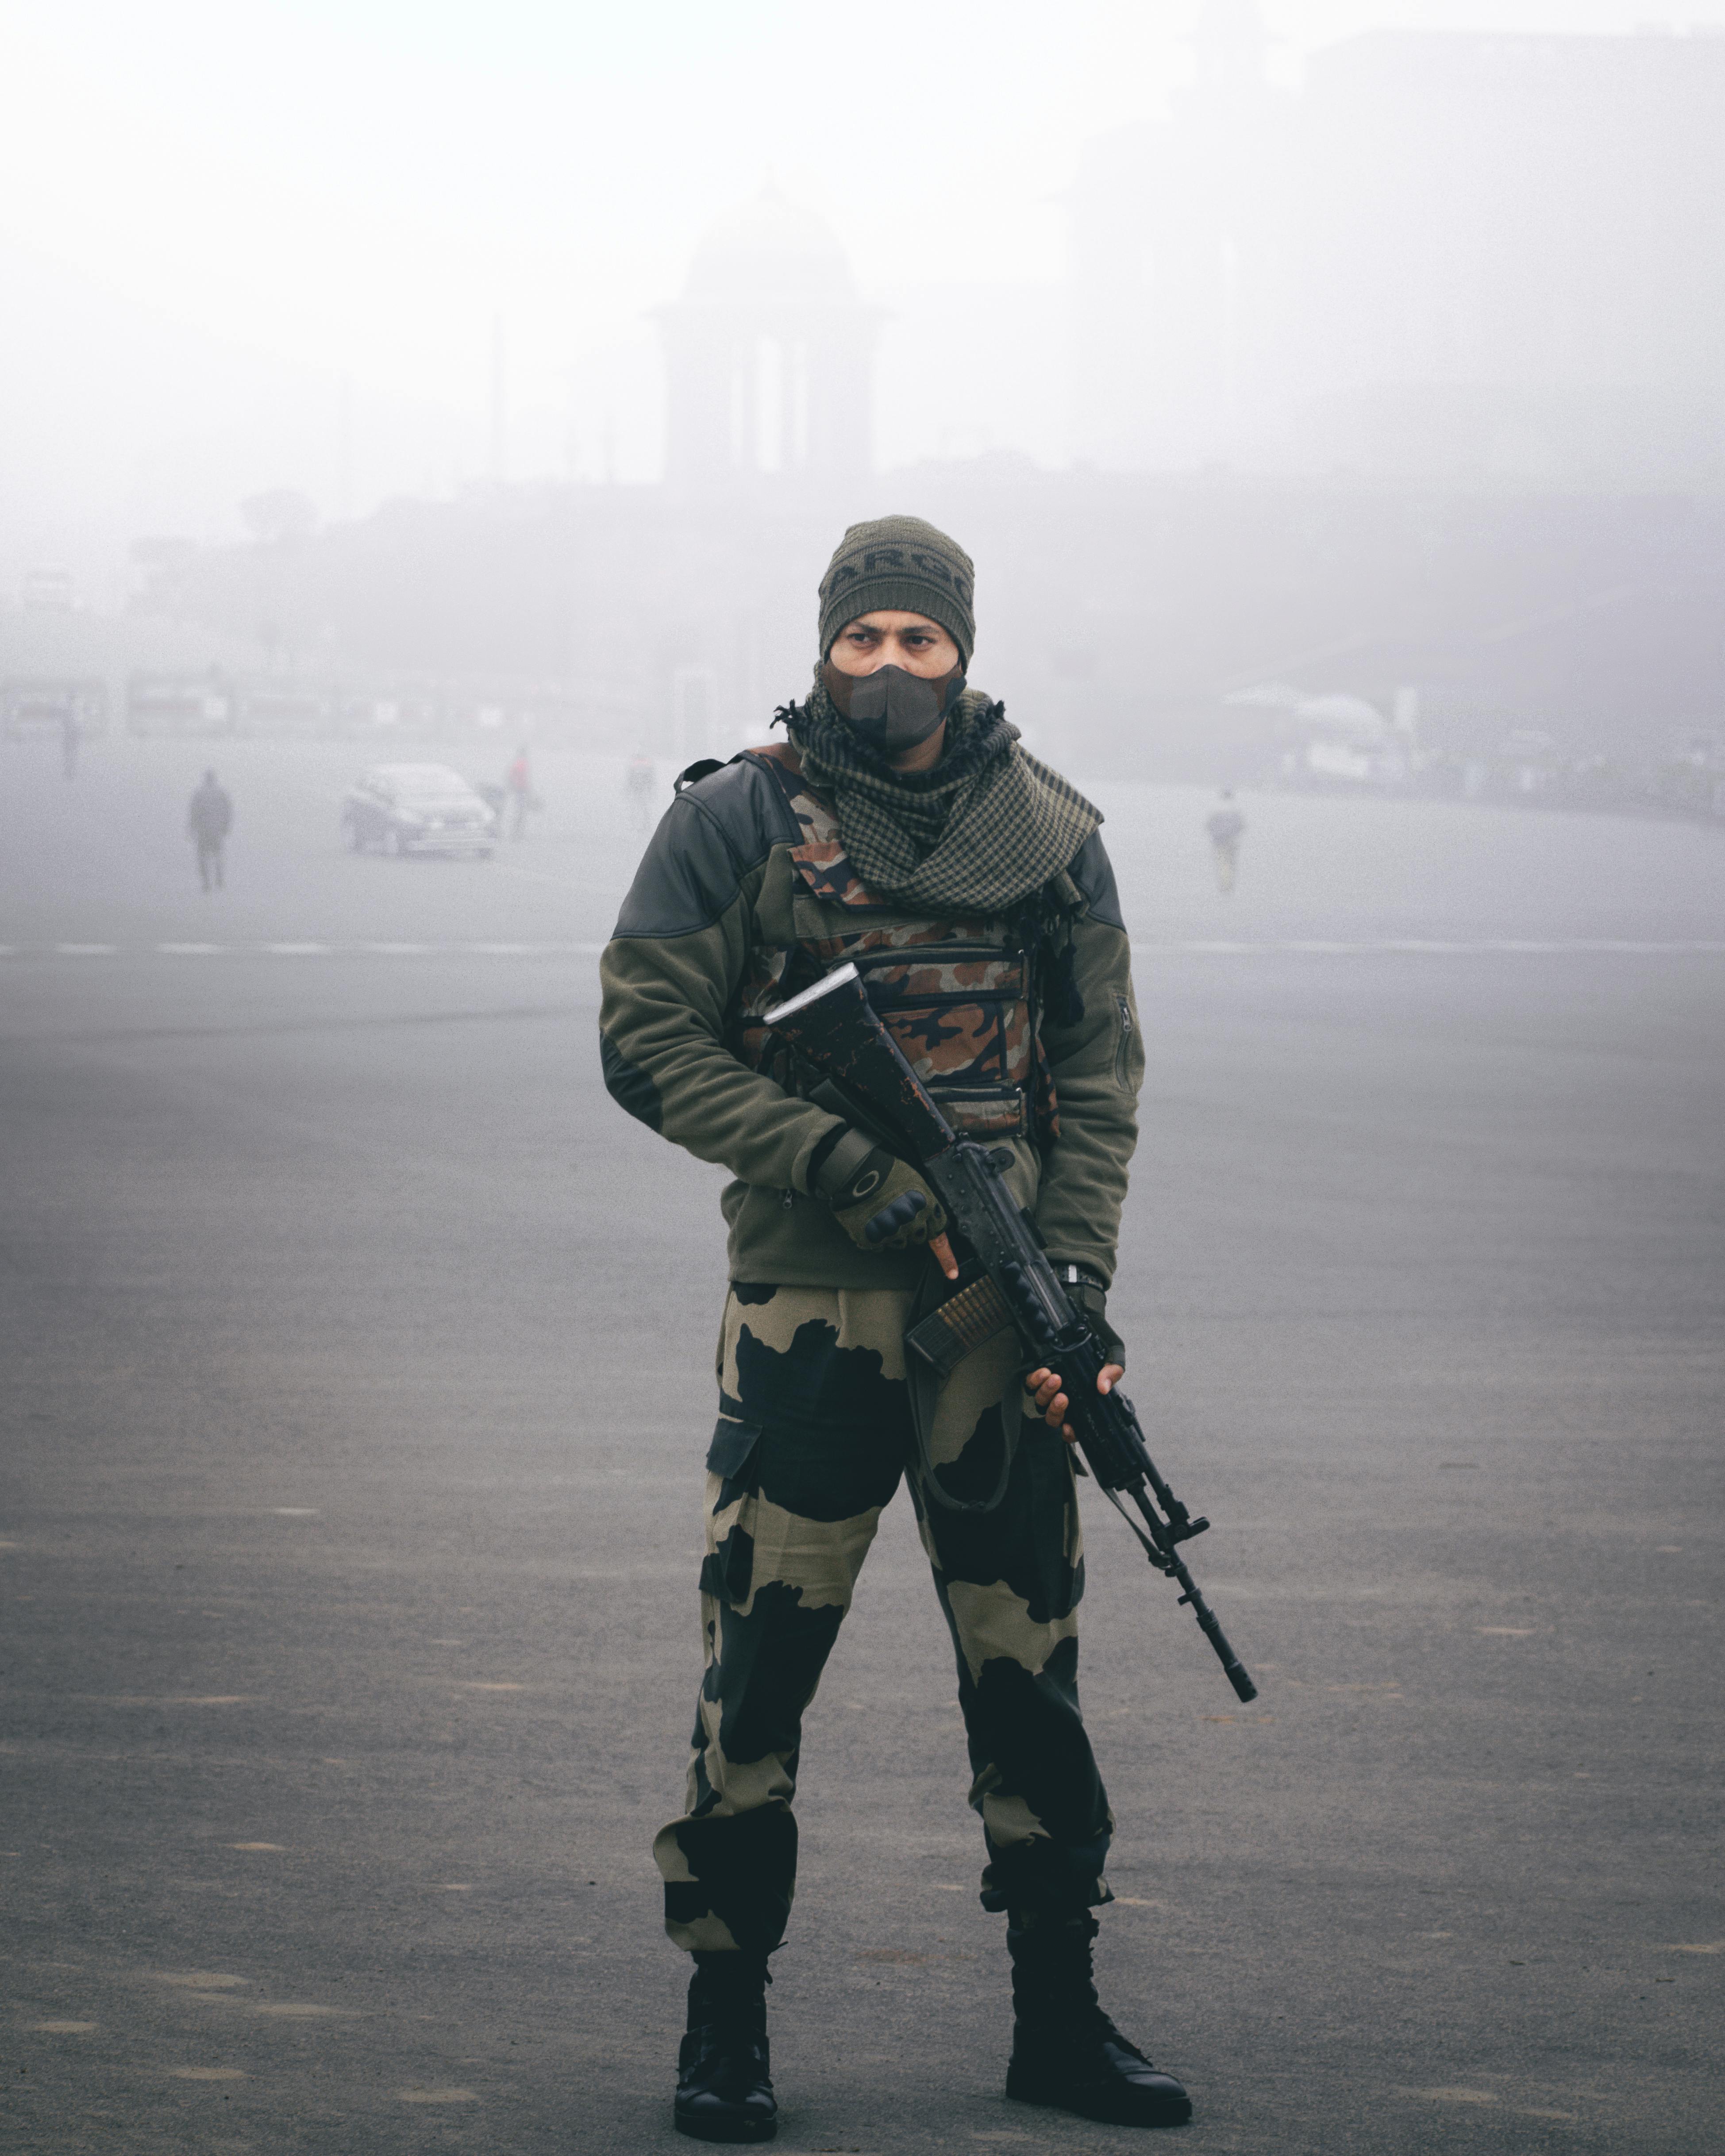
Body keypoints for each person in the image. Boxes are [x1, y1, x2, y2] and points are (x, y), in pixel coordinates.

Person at [599, 516, 1185, 2142]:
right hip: (811, 1305)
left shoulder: (1047, 832)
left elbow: (1097, 1076)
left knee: (1028, 1668)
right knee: (758, 1663)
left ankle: (1058, 2016)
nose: (890, 667)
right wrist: (836, 1159)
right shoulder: (736, 818)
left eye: (920, 639)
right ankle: (725, 2019)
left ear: (963, 650)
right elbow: (648, 1038)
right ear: (825, 645)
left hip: (999, 1320)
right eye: (863, 638)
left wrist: (1074, 1290)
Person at [187, 769, 233, 893]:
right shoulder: (221, 794)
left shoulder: (199, 794)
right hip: (217, 830)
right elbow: (228, 811)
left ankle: (206, 882)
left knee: (203, 856)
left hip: (203, 830)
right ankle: (219, 878)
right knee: (218, 854)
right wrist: (226, 826)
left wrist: (192, 827)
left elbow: (194, 812)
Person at [1205, 790, 1246, 894]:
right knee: (1231, 863)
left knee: (1222, 863)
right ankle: (1229, 884)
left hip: (1219, 841)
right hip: (1232, 841)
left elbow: (1209, 825)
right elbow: (1241, 826)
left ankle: (1224, 884)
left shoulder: (1216, 809)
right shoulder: (1235, 809)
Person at [505, 745, 533, 840]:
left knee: (519, 810)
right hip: (521, 789)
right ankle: (517, 832)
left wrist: (512, 785)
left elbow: (512, 776)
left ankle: (516, 831)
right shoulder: (522, 763)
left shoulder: (518, 763)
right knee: (521, 811)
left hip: (519, 789)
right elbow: (522, 778)